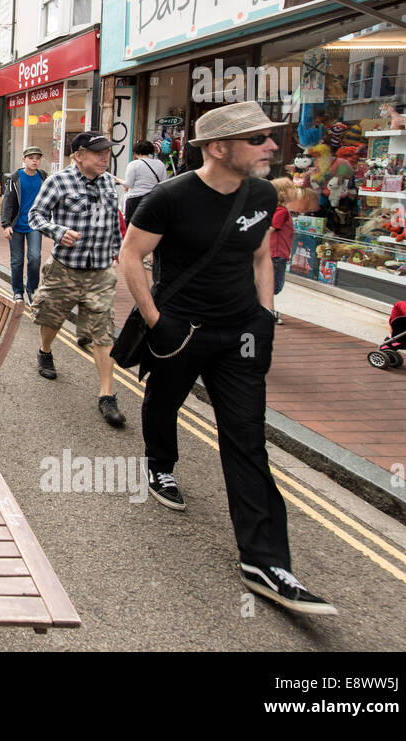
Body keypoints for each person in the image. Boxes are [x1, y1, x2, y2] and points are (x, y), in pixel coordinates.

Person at [119, 101, 335, 615]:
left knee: (246, 438)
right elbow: (130, 256)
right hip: (181, 329)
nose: (271, 147)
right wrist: (155, 319)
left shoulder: (260, 193)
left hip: (241, 333)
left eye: (268, 138)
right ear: (219, 147)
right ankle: (160, 464)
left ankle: (264, 561)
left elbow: (260, 255)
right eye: (258, 139)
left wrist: (265, 317)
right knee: (164, 399)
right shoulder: (168, 199)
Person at [26, 132, 125, 427]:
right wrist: (57, 232)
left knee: (103, 332)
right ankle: (45, 351)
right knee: (51, 318)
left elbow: (113, 219)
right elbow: (35, 215)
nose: (105, 157)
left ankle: (106, 396)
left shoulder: (109, 181)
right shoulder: (58, 181)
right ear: (78, 155)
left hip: (100, 272)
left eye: (107, 152)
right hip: (65, 269)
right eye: (98, 153)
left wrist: (118, 249)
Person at [1, 146, 48, 305]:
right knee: (17, 260)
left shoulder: (43, 177)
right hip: (16, 225)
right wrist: (6, 224)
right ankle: (17, 291)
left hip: (35, 224)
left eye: (37, 158)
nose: (35, 161)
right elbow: (7, 202)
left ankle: (32, 289)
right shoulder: (15, 178)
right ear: (24, 160)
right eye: (31, 158)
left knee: (35, 258)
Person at [269, 176, 298, 325]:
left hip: (276, 253)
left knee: (270, 285)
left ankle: (267, 310)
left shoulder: (277, 210)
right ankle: (266, 311)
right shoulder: (281, 211)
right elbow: (271, 229)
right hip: (276, 254)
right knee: (274, 286)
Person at [122, 140, 168, 226]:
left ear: (136, 152)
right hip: (154, 200)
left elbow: (128, 184)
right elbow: (164, 183)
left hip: (135, 200)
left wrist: (117, 180)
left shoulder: (133, 164)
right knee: (151, 227)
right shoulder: (160, 164)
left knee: (132, 227)